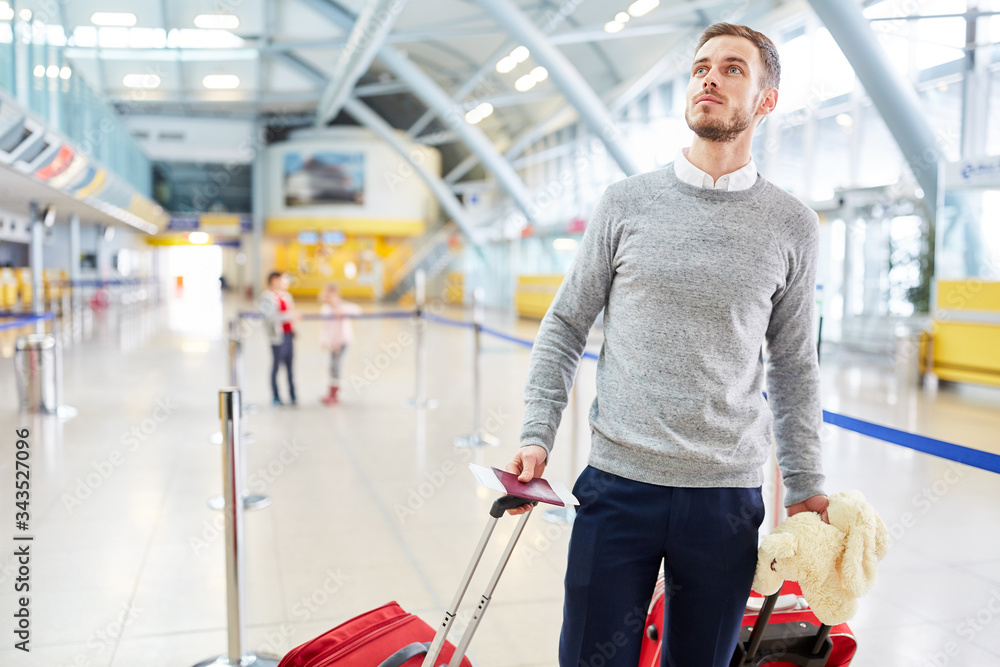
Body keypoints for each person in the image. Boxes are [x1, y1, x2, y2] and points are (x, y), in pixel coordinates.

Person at [504, 23, 828, 667]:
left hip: (726, 496)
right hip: (620, 485)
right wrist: (537, 433)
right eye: (701, 66)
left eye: (733, 68)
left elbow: (793, 365)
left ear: (766, 100)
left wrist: (807, 482)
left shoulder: (793, 223)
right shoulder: (625, 203)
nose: (709, 77)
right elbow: (565, 323)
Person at [318, 283, 361, 405]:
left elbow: (357, 310)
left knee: (336, 366)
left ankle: (334, 394)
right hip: (333, 343)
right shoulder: (325, 309)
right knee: (331, 367)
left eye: (330, 294)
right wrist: (325, 341)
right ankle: (331, 392)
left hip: (343, 341)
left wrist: (342, 311)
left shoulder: (343, 306)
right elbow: (325, 328)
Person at [262, 271, 298, 406]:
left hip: (288, 335)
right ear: (274, 280)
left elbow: (290, 314)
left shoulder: (287, 296)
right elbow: (270, 317)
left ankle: (292, 394)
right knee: (276, 365)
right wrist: (289, 316)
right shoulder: (266, 298)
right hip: (277, 336)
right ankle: (276, 395)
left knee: (290, 366)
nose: (286, 282)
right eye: (283, 280)